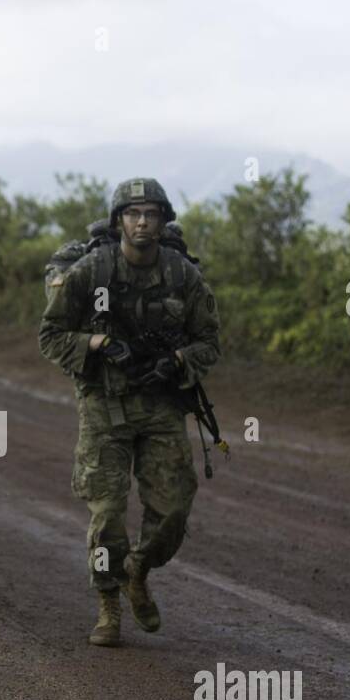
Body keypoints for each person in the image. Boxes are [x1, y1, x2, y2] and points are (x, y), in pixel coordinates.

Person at [38, 178, 221, 647]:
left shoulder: (182, 275)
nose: (143, 222)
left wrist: (177, 360)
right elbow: (51, 336)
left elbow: (209, 341)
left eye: (152, 214)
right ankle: (108, 605)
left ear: (163, 221)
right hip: (105, 403)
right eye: (133, 213)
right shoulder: (94, 269)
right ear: (119, 219)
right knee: (108, 515)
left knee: (175, 507)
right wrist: (97, 343)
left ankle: (137, 569)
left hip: (161, 403)